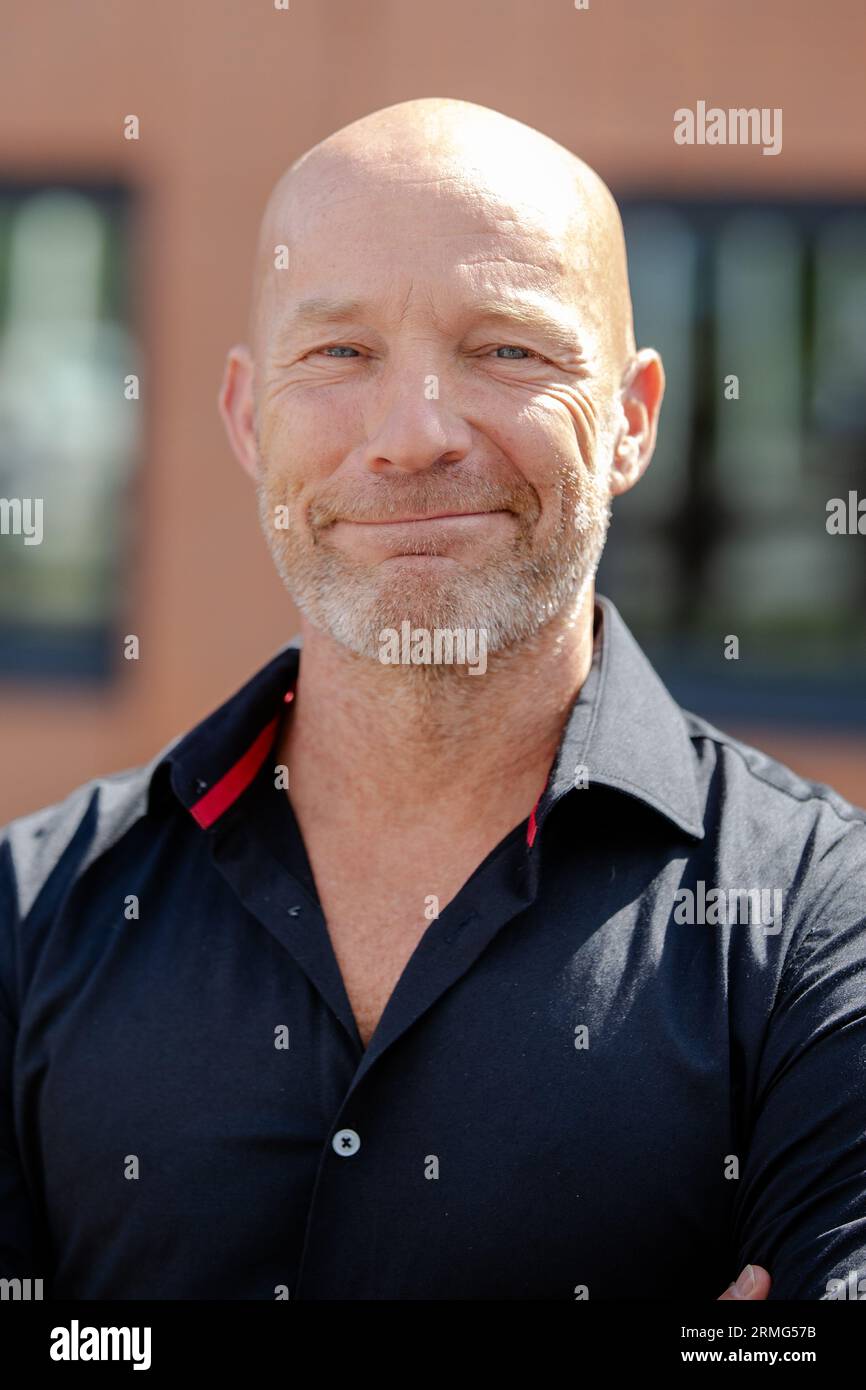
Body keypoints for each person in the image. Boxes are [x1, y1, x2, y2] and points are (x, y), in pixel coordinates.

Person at [1, 98, 863, 1301]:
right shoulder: (30, 917)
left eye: (506, 348)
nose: (412, 437)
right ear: (250, 419)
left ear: (630, 418)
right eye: (340, 353)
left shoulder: (822, 928)